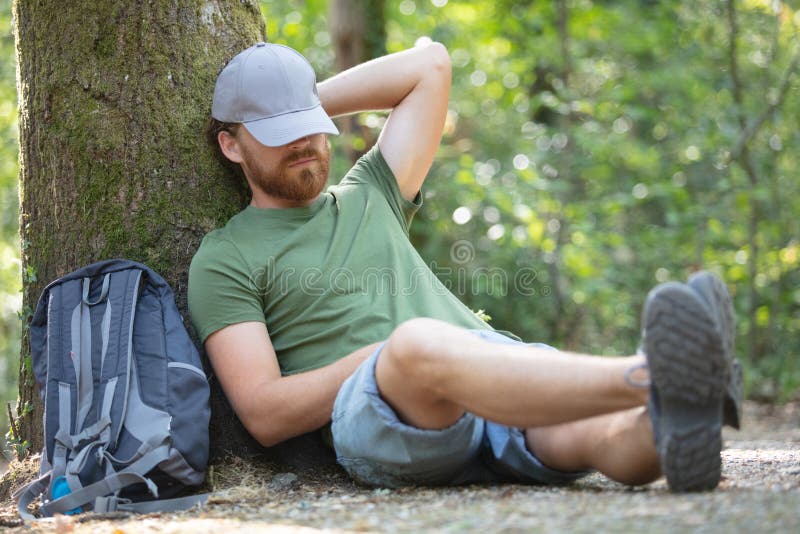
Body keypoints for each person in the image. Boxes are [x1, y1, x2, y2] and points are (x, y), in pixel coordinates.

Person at [188, 41, 742, 492]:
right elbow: (263, 413)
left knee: (600, 437)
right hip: (387, 414)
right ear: (231, 145)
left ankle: (676, 415)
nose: (305, 143)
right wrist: (383, 356)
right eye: (278, 133)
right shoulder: (226, 256)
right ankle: (659, 375)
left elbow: (431, 66)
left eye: (308, 125)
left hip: (494, 371)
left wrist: (300, 103)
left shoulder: (371, 191)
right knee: (416, 344)